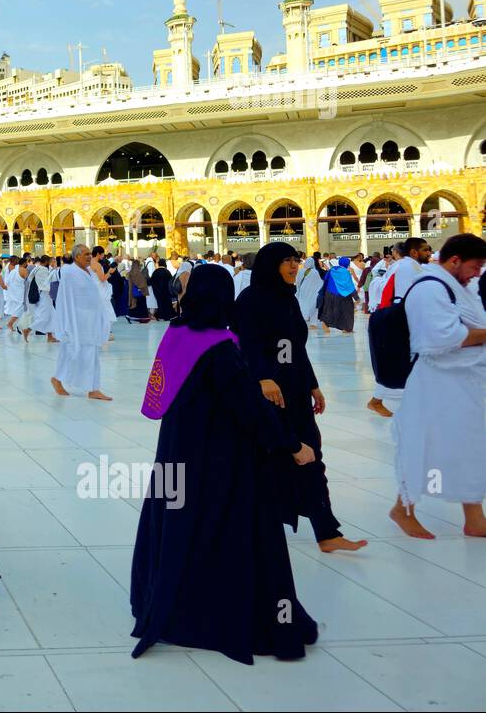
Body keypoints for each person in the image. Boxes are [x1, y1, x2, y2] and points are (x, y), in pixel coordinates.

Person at [131, 263, 319, 664]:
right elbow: (247, 410)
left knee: (179, 528)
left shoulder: (176, 333)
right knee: (219, 531)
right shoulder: (219, 346)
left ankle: (171, 603)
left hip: (175, 451)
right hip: (215, 460)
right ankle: (210, 614)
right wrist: (292, 444)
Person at [233, 242, 366, 554]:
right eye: (287, 261)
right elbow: (244, 343)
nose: (294, 266)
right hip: (267, 395)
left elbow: (296, 348)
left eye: (296, 260)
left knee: (310, 457)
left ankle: (327, 532)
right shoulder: (251, 300)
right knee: (268, 461)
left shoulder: (287, 299)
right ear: (270, 265)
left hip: (294, 392)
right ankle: (250, 532)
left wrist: (313, 385)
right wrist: (262, 377)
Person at [390, 233, 486, 539]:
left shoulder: (460, 287)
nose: (478, 273)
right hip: (437, 384)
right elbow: (440, 338)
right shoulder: (429, 288)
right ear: (455, 260)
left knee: (470, 448)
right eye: (475, 266)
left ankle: (474, 516)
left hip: (465, 383)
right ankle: (403, 509)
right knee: (428, 446)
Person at [368, 239, 432, 417]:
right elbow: (403, 295)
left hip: (400, 316)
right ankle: (379, 401)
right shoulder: (406, 267)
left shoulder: (409, 265)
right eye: (425, 250)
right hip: (399, 318)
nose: (429, 254)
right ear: (413, 252)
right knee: (398, 362)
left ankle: (378, 400)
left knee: (402, 362)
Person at [51, 244, 114, 401]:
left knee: (90, 353)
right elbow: (65, 299)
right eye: (86, 254)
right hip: (76, 321)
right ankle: (58, 379)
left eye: (89, 254)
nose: (89, 256)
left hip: (89, 321)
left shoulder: (88, 272)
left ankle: (93, 389)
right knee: (70, 351)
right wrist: (67, 322)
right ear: (77, 256)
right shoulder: (70, 272)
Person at [319, 256, 359, 334]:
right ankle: (347, 328)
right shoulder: (346, 272)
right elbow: (349, 285)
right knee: (347, 310)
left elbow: (325, 280)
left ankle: (325, 323)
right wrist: (356, 297)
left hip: (330, 293)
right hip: (343, 295)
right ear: (347, 264)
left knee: (330, 310)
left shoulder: (332, 270)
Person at [295, 253, 324, 329]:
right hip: (313, 292)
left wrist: (298, 290)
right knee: (314, 307)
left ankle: (302, 320)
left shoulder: (300, 271)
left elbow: (297, 282)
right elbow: (320, 283)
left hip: (303, 291)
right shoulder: (315, 272)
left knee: (303, 305)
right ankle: (313, 324)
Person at [126, 258, 151, 324]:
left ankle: (130, 316)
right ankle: (140, 318)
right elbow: (141, 283)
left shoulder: (130, 272)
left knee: (133, 304)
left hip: (132, 291)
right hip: (139, 292)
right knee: (140, 305)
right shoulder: (137, 273)